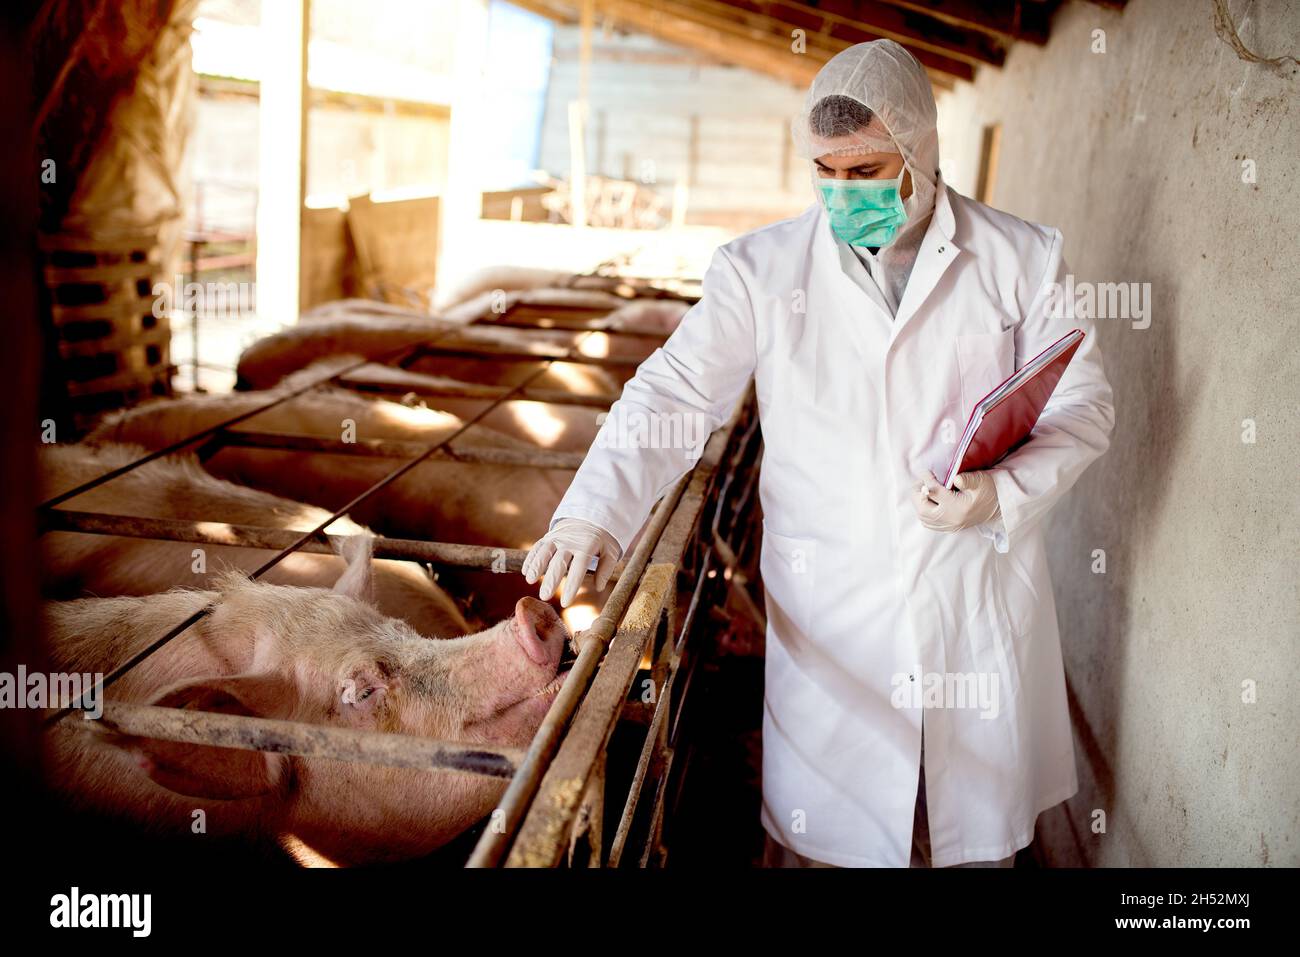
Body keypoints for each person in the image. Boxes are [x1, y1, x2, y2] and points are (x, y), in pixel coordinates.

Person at [522, 39, 1114, 868]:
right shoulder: (761, 271)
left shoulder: (1021, 257)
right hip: (830, 627)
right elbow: (674, 392)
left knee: (965, 841)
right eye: (824, 172)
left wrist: (1001, 494)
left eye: (864, 170)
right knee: (821, 844)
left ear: (921, 153)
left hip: (970, 609)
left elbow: (1085, 403)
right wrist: (596, 507)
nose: (841, 193)